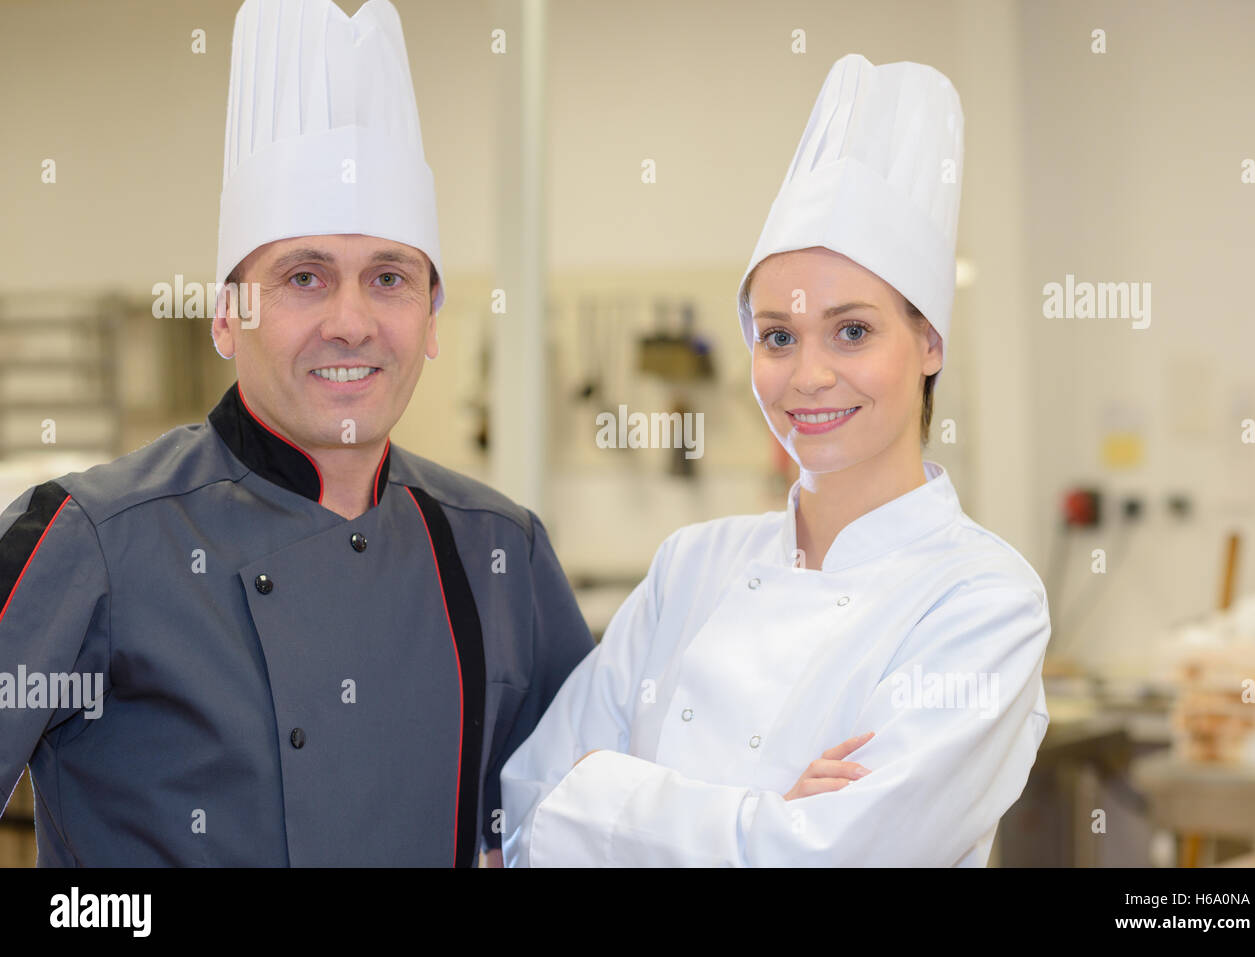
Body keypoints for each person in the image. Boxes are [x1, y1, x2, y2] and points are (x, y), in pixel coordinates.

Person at [0, 0, 591, 866]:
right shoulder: (90, 540)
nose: (351, 322)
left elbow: (590, 814)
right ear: (226, 317)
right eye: (304, 277)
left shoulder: (502, 550)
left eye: (388, 277)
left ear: (430, 318)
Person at [500, 54, 1051, 867]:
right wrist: (766, 811)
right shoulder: (692, 565)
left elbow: (834, 858)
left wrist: (609, 796)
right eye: (778, 336)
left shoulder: (985, 600)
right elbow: (525, 814)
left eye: (853, 330)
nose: (809, 375)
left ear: (929, 341)